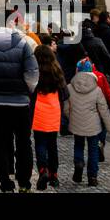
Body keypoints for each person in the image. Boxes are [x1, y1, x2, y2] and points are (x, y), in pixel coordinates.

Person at [0, 21, 39, 193]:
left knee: (0, 144)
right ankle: (24, 183)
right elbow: (32, 74)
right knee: (24, 143)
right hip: (21, 103)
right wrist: (27, 91)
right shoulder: (24, 44)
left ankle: (5, 183)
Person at [68, 57, 110, 187]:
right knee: (93, 149)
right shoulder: (96, 89)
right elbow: (103, 108)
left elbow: (67, 107)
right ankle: (92, 176)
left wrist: (70, 117)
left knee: (78, 145)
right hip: (94, 124)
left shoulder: (70, 87)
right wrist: (109, 125)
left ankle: (78, 163)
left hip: (77, 122)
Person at [32, 43, 67, 190]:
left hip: (38, 110)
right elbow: (65, 93)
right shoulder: (56, 70)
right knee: (52, 145)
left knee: (40, 143)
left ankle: (42, 170)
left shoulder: (34, 71)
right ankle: (54, 175)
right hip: (53, 109)